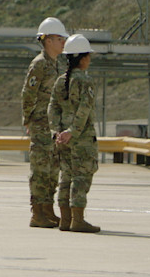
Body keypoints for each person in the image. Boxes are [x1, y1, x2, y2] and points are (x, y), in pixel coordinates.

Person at [50, 33, 100, 233]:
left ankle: (65, 219)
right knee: (81, 177)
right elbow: (84, 110)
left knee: (66, 176)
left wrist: (57, 131)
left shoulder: (60, 81)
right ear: (83, 58)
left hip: (62, 138)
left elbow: (52, 108)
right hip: (81, 139)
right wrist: (73, 132)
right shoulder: (85, 81)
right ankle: (77, 220)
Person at [22, 16, 68, 228]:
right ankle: (37, 212)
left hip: (52, 126)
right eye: (60, 39)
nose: (63, 42)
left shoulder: (57, 64)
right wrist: (28, 120)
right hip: (41, 124)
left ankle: (48, 209)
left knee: (52, 168)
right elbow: (28, 93)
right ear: (48, 40)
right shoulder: (39, 64)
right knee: (40, 168)